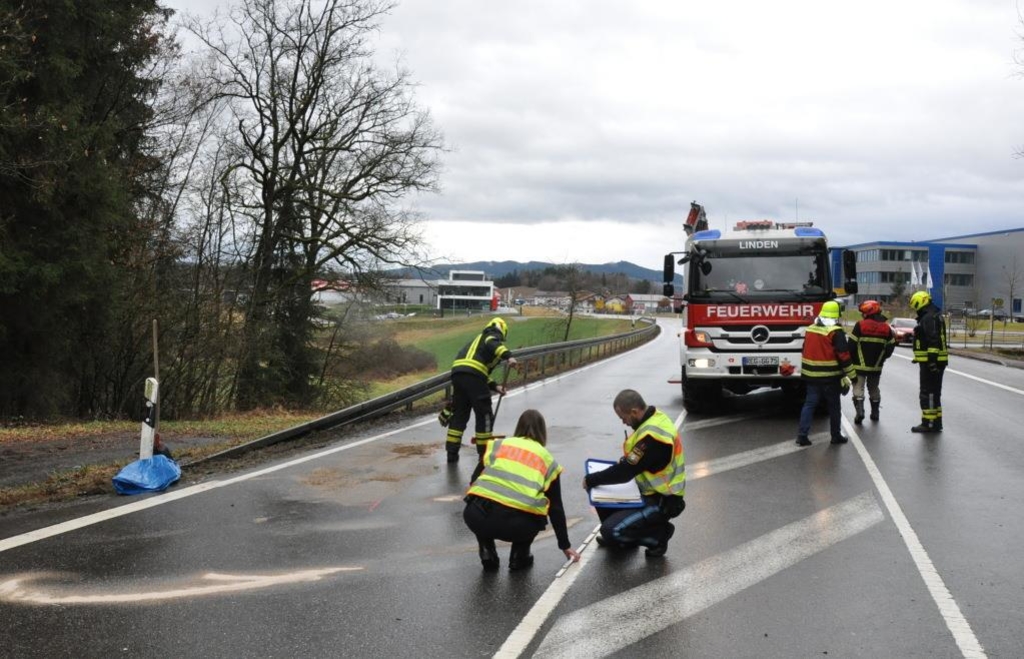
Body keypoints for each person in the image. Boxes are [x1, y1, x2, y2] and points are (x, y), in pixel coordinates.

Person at [463, 410, 580, 571]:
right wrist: (565, 546)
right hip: (517, 526)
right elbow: (555, 508)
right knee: (539, 508)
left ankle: (486, 551)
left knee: (478, 495)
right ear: (543, 432)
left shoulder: (498, 445)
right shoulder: (547, 459)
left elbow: (474, 481)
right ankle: (519, 555)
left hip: (478, 518)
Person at [582, 389, 686, 558]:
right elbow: (632, 464)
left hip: (663, 500)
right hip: (646, 491)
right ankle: (625, 537)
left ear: (634, 411)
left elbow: (625, 471)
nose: (624, 422)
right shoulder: (652, 418)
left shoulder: (653, 437)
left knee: (610, 530)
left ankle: (659, 536)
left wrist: (592, 479)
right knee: (599, 492)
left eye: (623, 418)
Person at [444, 317, 518, 465]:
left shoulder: (476, 342)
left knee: (459, 415)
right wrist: (509, 356)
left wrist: (495, 387)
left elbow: (481, 372)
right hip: (474, 377)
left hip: (458, 375)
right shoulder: (490, 337)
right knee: (484, 415)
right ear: (501, 331)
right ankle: (483, 454)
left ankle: (451, 453)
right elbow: (492, 346)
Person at [796, 300, 857, 446]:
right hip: (830, 377)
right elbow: (844, 356)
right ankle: (836, 436)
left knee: (809, 405)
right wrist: (852, 376)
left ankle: (802, 436)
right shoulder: (835, 332)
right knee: (834, 407)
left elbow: (805, 349)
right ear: (836, 314)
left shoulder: (810, 329)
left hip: (811, 376)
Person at [848, 299, 896, 424]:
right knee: (874, 388)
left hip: (859, 366)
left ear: (868, 313)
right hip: (876, 367)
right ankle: (875, 413)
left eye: (863, 313)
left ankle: (860, 412)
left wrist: (849, 361)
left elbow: (851, 345)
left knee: (858, 388)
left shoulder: (860, 325)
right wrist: (882, 358)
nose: (862, 315)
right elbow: (891, 347)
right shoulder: (886, 328)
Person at [909, 291, 948, 433]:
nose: (916, 310)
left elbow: (933, 340)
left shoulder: (928, 318)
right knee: (935, 393)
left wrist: (931, 361)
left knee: (928, 393)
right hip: (938, 360)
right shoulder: (935, 316)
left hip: (931, 362)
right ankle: (936, 422)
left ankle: (928, 423)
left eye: (916, 306)